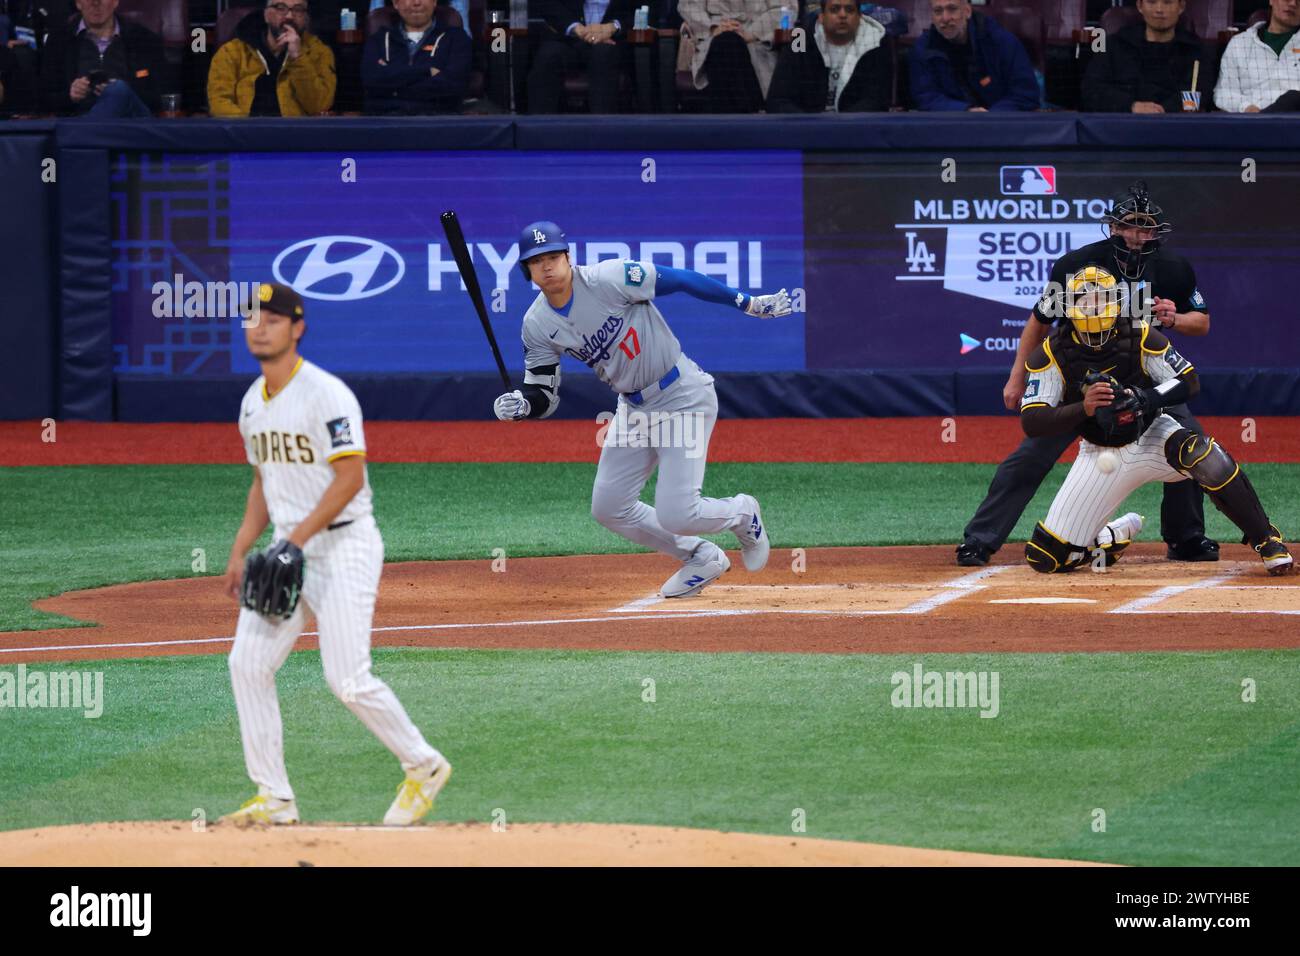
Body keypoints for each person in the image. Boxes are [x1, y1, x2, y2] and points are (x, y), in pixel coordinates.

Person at [221, 283, 451, 826]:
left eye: (273, 319)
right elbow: (262, 481)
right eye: (252, 318)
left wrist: (294, 540)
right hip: (288, 547)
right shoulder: (253, 402)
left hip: (345, 545)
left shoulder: (327, 395)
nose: (260, 327)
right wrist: (239, 549)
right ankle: (274, 797)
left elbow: (349, 479)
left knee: (347, 679)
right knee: (247, 663)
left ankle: (424, 765)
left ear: (297, 327)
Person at [494, 222, 791, 598]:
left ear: (568, 257)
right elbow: (544, 394)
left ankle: (743, 513)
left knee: (678, 513)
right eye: (537, 261)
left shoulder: (609, 278)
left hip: (681, 394)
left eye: (554, 256)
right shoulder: (536, 325)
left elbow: (682, 279)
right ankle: (700, 557)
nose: (548, 266)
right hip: (632, 408)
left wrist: (745, 302)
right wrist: (522, 404)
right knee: (608, 507)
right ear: (527, 270)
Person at [957, 182, 1219, 567]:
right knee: (1030, 455)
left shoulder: (1174, 268)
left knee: (1190, 443)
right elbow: (1038, 321)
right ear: (1113, 227)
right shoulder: (1074, 265)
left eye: (1145, 228)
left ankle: (1186, 537)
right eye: (1130, 225)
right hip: (1078, 379)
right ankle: (980, 539)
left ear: (1156, 232)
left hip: (1142, 381)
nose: (1136, 235)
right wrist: (1017, 376)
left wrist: (1175, 318)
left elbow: (1203, 322)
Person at [1018, 264, 1292, 576]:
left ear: (1116, 300)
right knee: (1047, 557)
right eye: (1084, 298)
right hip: (1100, 453)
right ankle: (1111, 536)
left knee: (1204, 455)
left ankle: (1266, 538)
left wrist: (1145, 398)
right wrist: (1085, 408)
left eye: (1101, 297)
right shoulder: (1050, 353)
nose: (1093, 305)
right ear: (1069, 305)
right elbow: (1033, 421)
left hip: (1152, 434)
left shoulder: (1141, 334)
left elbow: (1188, 381)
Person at [1082, 0, 1217, 113]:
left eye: (1167, 2)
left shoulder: (1195, 50)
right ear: (1140, 6)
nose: (1159, 9)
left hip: (1176, 128)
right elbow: (1091, 90)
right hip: (1122, 127)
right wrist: (1132, 106)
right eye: (1151, 2)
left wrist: (1163, 109)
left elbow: (1202, 92)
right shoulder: (1113, 45)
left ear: (1181, 6)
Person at [207, 0, 336, 117]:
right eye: (280, 7)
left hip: (295, 137)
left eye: (298, 9)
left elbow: (318, 106)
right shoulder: (231, 52)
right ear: (266, 15)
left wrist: (298, 57)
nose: (290, 16)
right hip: (245, 136)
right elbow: (219, 102)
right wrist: (247, 130)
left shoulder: (320, 52)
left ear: (306, 18)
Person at [908, 0, 1038, 111]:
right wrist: (965, 111)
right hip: (951, 126)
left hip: (1001, 125)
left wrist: (990, 117)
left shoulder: (1002, 42)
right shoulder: (922, 49)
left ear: (967, 11)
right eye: (938, 11)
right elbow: (925, 97)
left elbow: (1025, 94)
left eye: (952, 9)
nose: (945, 18)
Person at [39, 0, 162, 117]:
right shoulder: (58, 41)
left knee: (118, 89)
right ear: (78, 3)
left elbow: (159, 95)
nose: (96, 2)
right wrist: (70, 96)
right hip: (78, 119)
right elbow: (43, 98)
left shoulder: (143, 39)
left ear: (115, 1)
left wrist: (123, 92)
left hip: (131, 123)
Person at [765, 0, 891, 112]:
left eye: (849, 10)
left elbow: (877, 101)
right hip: (806, 129)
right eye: (835, 9)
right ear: (821, 17)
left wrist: (843, 127)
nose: (842, 15)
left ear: (860, 17)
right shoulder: (800, 42)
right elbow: (778, 100)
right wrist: (809, 126)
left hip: (855, 129)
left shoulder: (876, 42)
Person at [361, 0, 470, 115]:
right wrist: (426, 71)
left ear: (434, 2)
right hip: (387, 121)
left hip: (438, 121)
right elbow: (371, 81)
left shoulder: (457, 39)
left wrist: (393, 88)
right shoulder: (378, 40)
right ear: (395, 3)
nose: (417, 2)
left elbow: (453, 86)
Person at [679, 0, 785, 113]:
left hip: (757, 39)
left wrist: (751, 33)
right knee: (726, 43)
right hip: (714, 36)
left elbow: (784, 9)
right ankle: (751, 115)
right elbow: (689, 7)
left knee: (729, 43)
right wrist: (713, 28)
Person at [527, 0, 632, 114]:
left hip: (612, 39)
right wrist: (577, 29)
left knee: (604, 54)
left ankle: (603, 126)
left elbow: (637, 8)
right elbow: (546, 4)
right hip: (568, 36)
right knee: (548, 56)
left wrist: (614, 26)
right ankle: (540, 127)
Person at [1214, 0, 1300, 112]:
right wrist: (1246, 107)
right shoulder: (1240, 44)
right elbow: (1223, 93)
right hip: (1252, 121)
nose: (1293, 3)